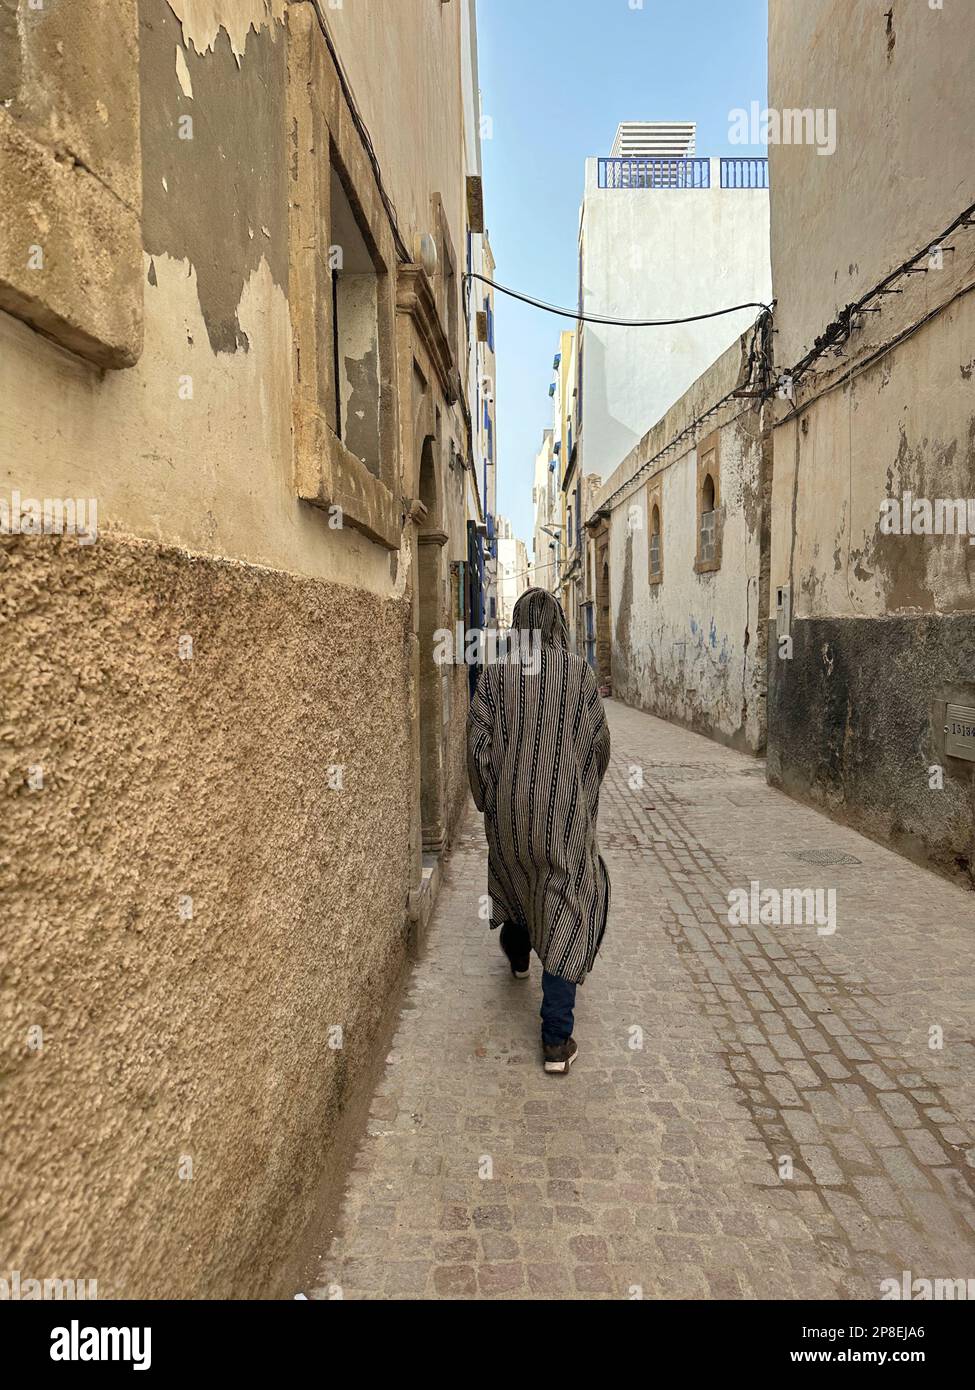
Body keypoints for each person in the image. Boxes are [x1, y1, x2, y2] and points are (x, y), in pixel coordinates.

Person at [466, 588, 611, 1073]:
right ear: (557, 624)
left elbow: (478, 747)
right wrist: (582, 796)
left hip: (510, 815)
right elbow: (597, 745)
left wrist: (489, 801)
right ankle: (555, 1041)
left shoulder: (494, 675)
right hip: (562, 815)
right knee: (564, 904)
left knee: (519, 883)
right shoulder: (579, 674)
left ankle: (519, 955)